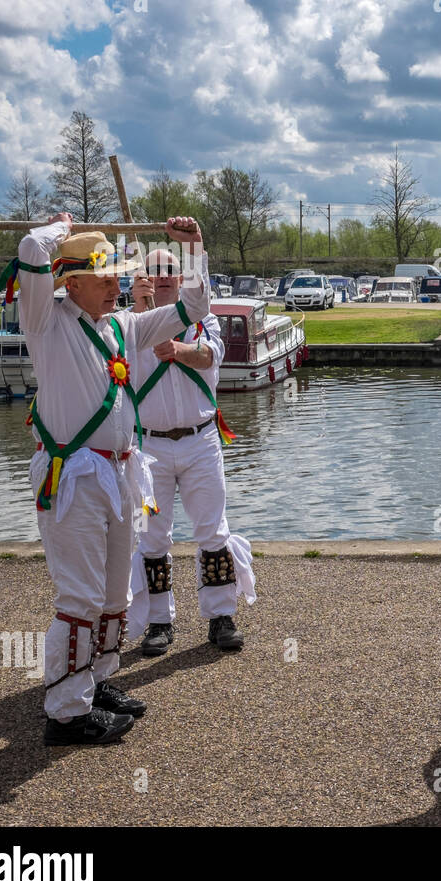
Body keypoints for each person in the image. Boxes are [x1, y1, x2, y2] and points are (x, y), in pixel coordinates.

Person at [16, 214, 209, 745]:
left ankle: (96, 683)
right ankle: (65, 712)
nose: (115, 286)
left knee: (113, 592)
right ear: (68, 283)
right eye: (102, 278)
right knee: (78, 596)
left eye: (116, 277)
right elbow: (31, 249)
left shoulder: (122, 326)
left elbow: (193, 309)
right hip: (73, 476)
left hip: (121, 473)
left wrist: (193, 249)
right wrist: (59, 229)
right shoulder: (44, 323)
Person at [127, 248, 256, 657]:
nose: (163, 277)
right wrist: (138, 310)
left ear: (182, 278)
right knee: (151, 536)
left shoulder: (205, 317)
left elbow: (212, 355)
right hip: (149, 447)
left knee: (212, 529)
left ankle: (220, 615)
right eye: (155, 272)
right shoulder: (127, 325)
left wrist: (178, 350)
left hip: (201, 441)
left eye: (170, 271)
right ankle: (159, 622)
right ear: (143, 277)